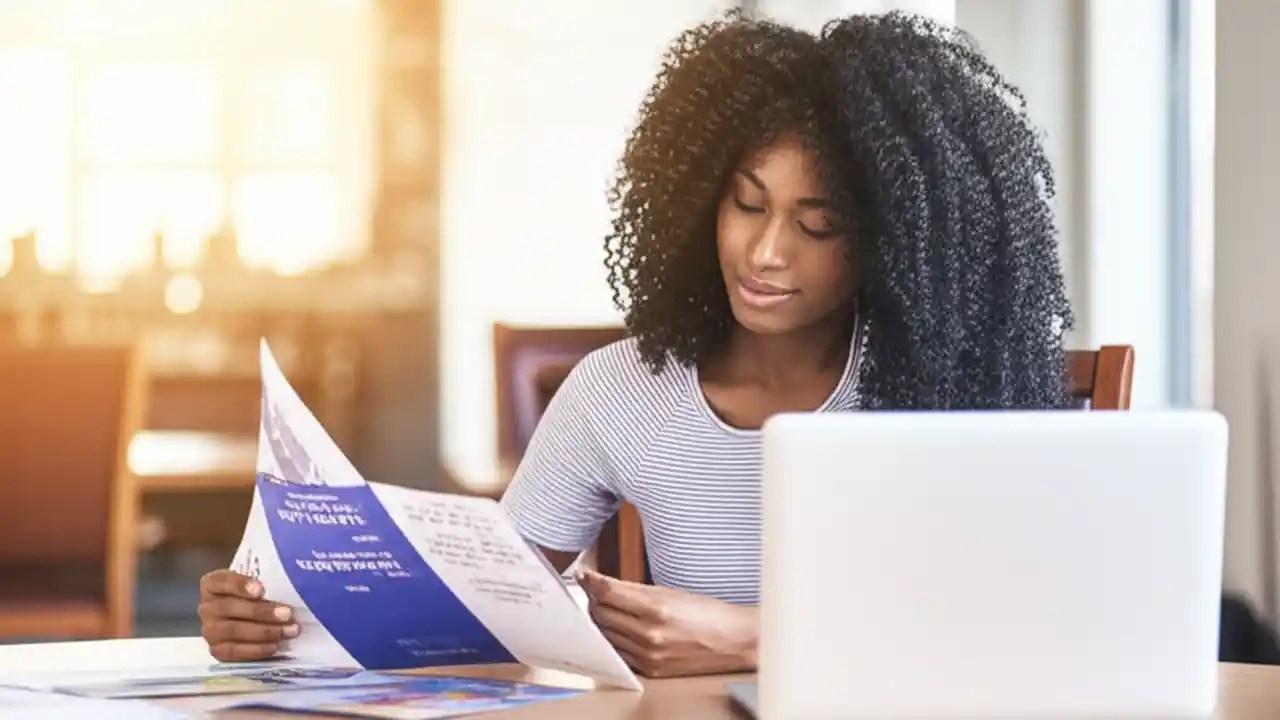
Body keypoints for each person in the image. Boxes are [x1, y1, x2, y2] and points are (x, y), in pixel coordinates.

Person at [198, 10, 1073, 676]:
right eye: (746, 203)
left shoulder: (946, 386)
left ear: (893, 238)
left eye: (819, 223)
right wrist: (279, 625)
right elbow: (480, 614)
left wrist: (757, 636)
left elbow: (1027, 633)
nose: (767, 253)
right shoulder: (620, 391)